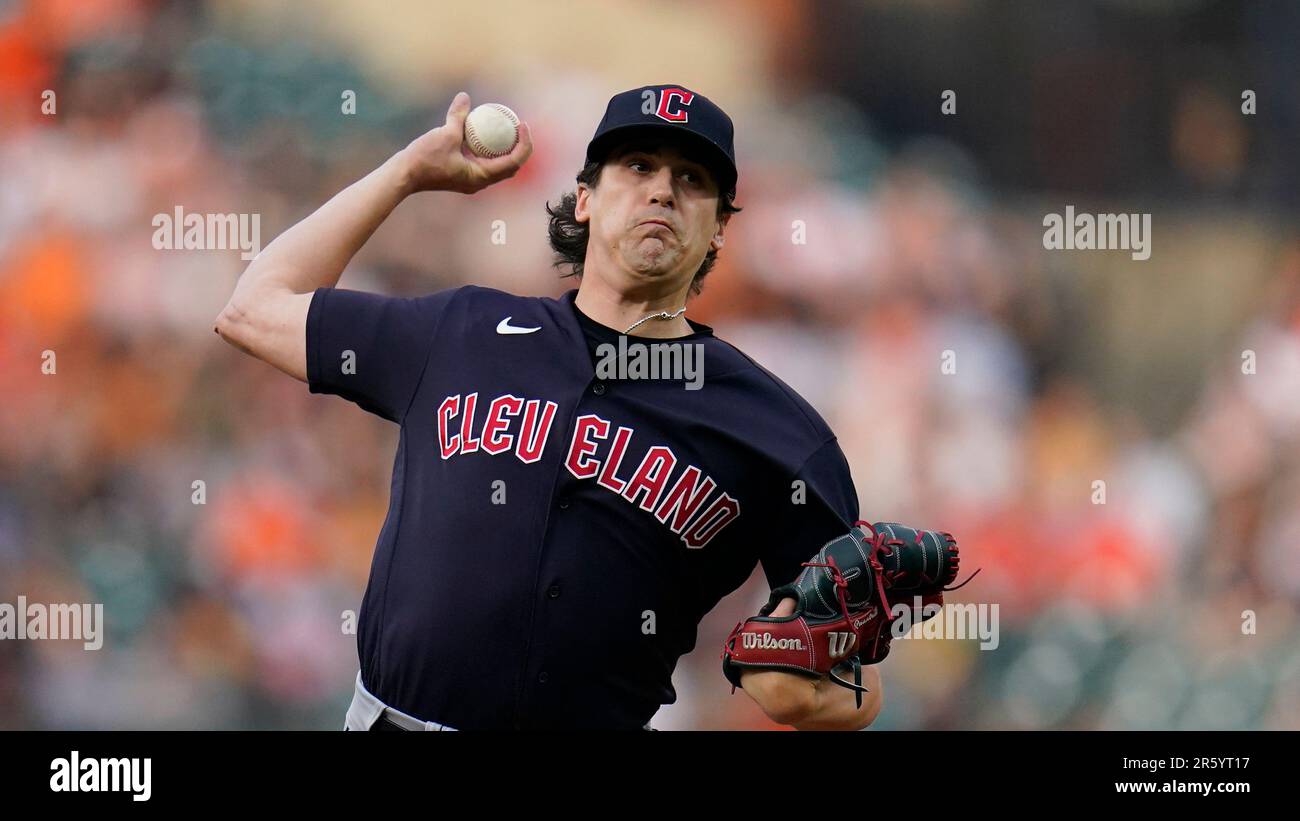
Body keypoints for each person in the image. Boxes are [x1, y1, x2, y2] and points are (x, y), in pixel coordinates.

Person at [215, 84, 883, 730]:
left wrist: (798, 693)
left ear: (717, 232)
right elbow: (252, 309)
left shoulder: (776, 431)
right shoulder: (461, 331)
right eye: (638, 166)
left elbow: (858, 687)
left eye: (691, 179)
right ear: (585, 200)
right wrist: (404, 175)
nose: (661, 190)